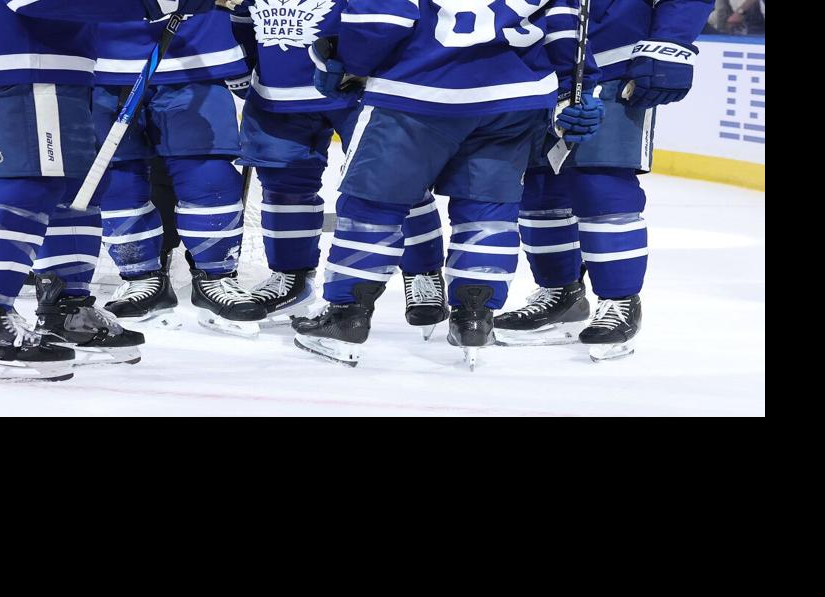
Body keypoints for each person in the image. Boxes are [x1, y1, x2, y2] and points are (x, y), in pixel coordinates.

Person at [0, 0, 215, 381]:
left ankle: (66, 310)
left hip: (12, 44)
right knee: (30, 184)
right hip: (13, 47)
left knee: (76, 187)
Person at [292, 0, 596, 370]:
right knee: (487, 208)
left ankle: (346, 318)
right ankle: (474, 319)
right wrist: (572, 91)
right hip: (515, 100)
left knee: (373, 205)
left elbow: (381, 17)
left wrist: (345, 63)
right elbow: (567, 21)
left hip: (415, 90)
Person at [498, 0, 712, 362]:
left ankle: (619, 301)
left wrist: (671, 40)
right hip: (529, 66)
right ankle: (560, 295)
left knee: (601, 183)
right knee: (538, 188)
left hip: (614, 63)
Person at [229, 0, 448, 336]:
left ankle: (423, 272)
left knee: (397, 181)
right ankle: (291, 276)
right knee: (283, 183)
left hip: (360, 86)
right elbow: (241, 15)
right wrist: (241, 65)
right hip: (278, 88)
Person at [89, 8, 263, 336]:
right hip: (102, 59)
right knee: (117, 178)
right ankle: (139, 277)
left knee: (208, 174)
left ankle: (216, 277)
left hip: (194, 56)